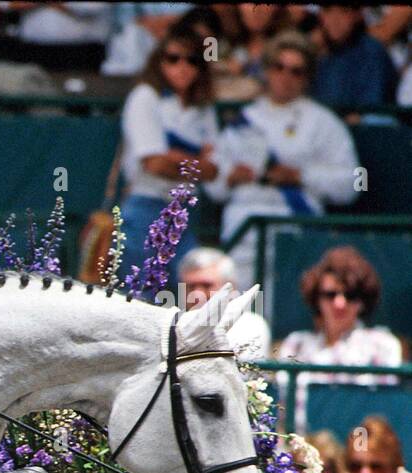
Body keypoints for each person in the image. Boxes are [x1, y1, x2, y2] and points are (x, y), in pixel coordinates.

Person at [207, 32, 359, 293]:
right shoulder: (244, 119)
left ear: (307, 77)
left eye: (296, 71)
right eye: (279, 67)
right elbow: (213, 180)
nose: (285, 77)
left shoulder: (322, 121)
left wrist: (300, 176)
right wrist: (231, 176)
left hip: (296, 225)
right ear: (266, 70)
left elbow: (352, 183)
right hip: (244, 223)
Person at [117, 26, 219, 286]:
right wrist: (195, 162)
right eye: (173, 59)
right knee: (140, 295)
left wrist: (175, 158)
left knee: (191, 294)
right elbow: (154, 163)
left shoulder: (204, 109)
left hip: (185, 214)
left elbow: (214, 170)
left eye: (192, 60)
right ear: (159, 61)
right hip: (145, 207)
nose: (182, 67)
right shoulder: (144, 97)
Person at [276, 246, 402, 432]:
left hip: (358, 450)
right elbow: (283, 411)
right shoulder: (295, 344)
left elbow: (381, 413)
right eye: (330, 294)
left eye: (350, 295)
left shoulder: (382, 345)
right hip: (303, 449)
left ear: (362, 301)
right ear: (317, 298)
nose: (339, 303)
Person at [177, 248, 270, 360]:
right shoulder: (175, 326)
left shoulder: (250, 326)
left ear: (231, 288)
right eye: (191, 286)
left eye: (207, 285)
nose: (197, 294)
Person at [312, 4, 398, 113]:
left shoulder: (372, 53)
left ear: (357, 15)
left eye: (344, 11)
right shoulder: (317, 54)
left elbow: (370, 108)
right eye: (328, 11)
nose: (335, 19)